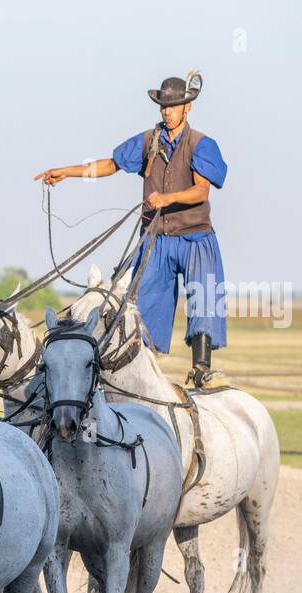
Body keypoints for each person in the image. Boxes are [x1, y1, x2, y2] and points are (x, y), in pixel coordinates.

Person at [35, 71, 230, 388]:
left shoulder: (201, 144)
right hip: (155, 238)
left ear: (187, 108)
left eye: (174, 106)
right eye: (163, 106)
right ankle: (144, 372)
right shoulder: (147, 142)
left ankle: (202, 368)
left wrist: (168, 198)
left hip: (195, 236)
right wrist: (67, 173)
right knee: (144, 302)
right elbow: (110, 164)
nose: (167, 112)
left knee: (204, 297)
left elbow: (201, 192)